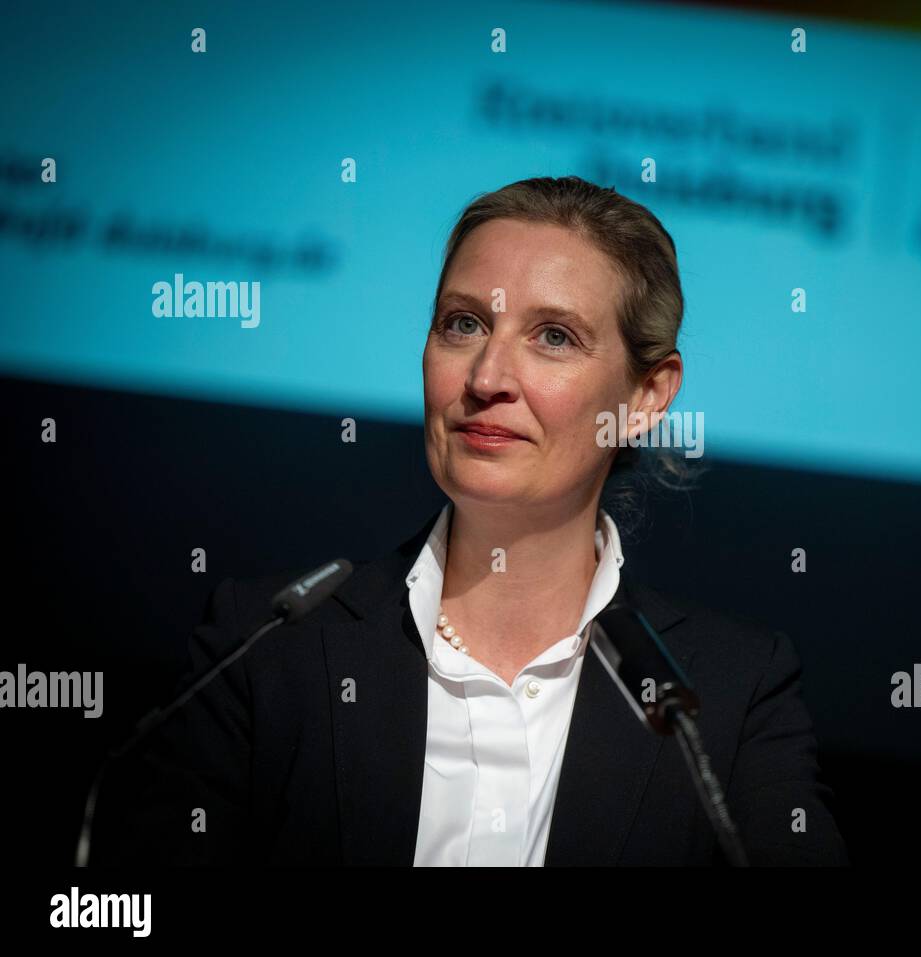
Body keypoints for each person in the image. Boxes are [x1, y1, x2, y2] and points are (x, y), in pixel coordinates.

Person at [107, 176, 849, 866]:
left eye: (554, 336)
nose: (487, 378)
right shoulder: (268, 646)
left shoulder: (729, 694)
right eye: (462, 324)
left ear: (648, 396)